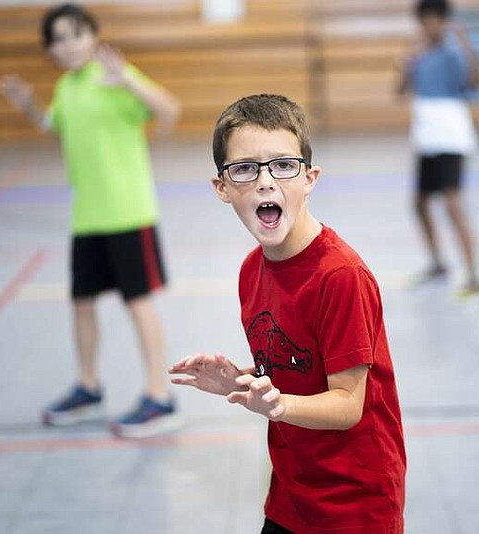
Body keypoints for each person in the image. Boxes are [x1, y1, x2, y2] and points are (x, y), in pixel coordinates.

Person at [168, 94, 406, 533]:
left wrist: (276, 406)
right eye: (244, 168)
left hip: (356, 505)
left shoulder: (340, 276)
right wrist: (236, 382)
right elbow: (292, 367)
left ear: (309, 177)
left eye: (282, 165)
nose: (264, 181)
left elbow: (348, 404)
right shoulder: (251, 272)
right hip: (291, 495)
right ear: (221, 187)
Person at [0, 3, 182, 439]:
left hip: (128, 213)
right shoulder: (67, 87)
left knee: (138, 303)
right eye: (59, 39)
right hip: (87, 217)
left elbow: (170, 111)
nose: (70, 44)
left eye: (77, 34)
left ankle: (161, 397)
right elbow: (53, 125)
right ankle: (88, 387)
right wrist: (28, 105)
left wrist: (131, 83)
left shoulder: (116, 77)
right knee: (81, 302)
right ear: (51, 49)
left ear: (94, 36)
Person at [397, 0, 479, 297]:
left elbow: (475, 82)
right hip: (426, 136)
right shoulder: (419, 55)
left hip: (450, 135)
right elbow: (400, 91)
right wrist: (406, 64)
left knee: (452, 204)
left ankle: (474, 274)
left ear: (444, 22)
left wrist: (467, 46)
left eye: (435, 19)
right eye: (425, 20)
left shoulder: (454, 53)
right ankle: (437, 264)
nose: (430, 25)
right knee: (420, 203)